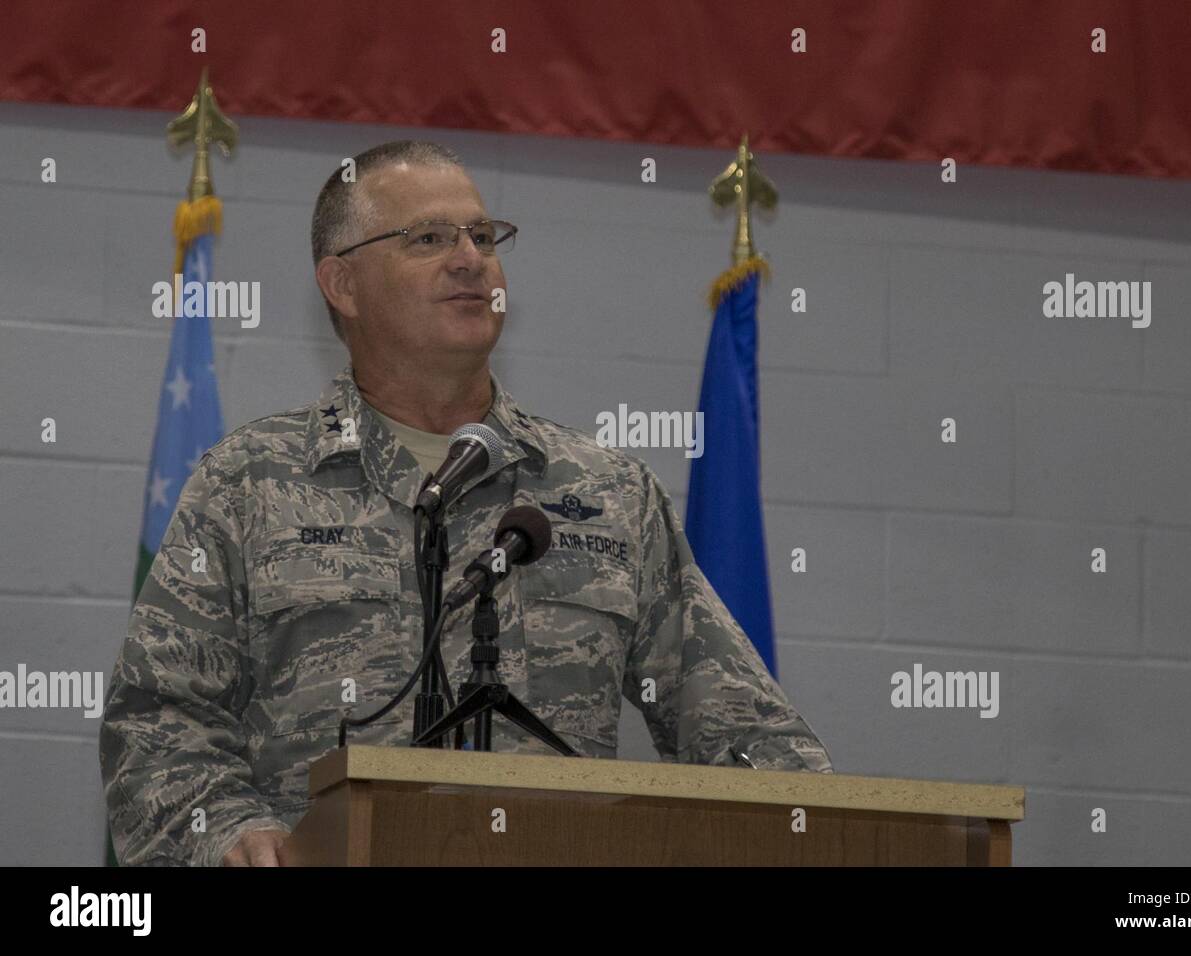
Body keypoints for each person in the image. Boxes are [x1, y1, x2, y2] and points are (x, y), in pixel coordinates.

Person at [100, 141, 833, 867]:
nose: (470, 259)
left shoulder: (605, 494)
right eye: (429, 238)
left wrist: (829, 827)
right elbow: (158, 724)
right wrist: (230, 831)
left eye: (483, 236)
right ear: (342, 284)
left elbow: (748, 731)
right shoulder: (249, 484)